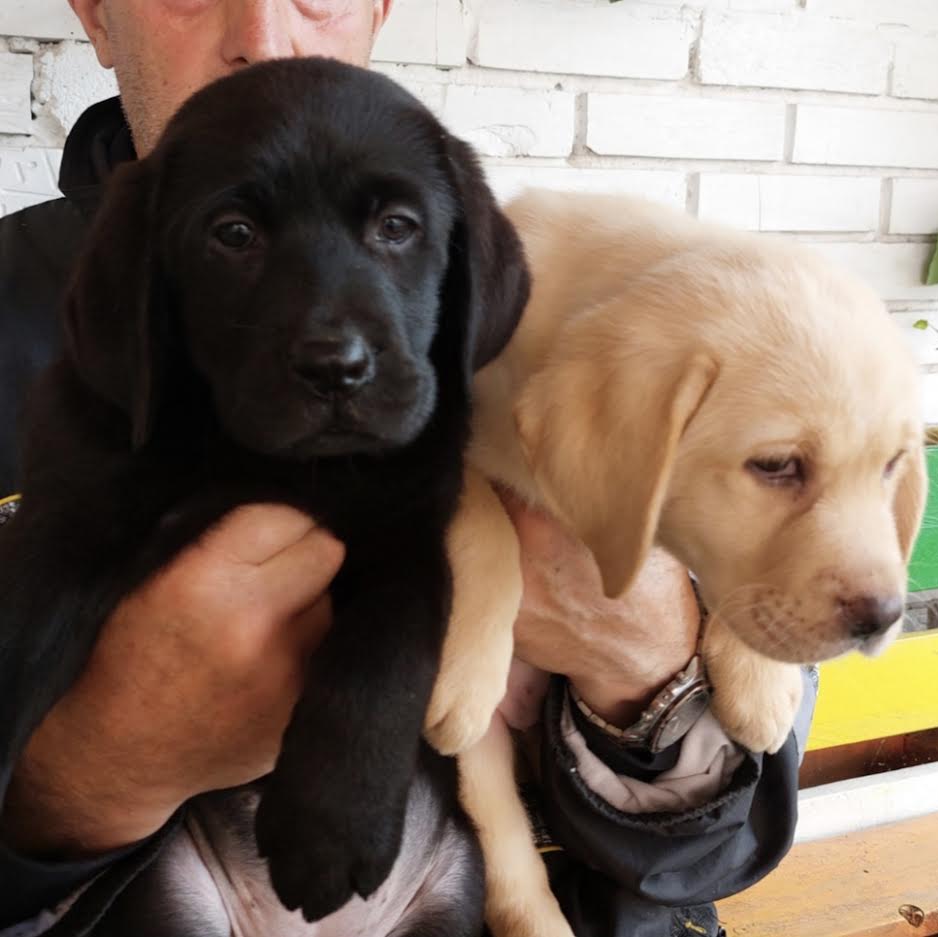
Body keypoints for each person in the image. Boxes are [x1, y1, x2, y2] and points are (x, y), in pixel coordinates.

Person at [0, 2, 813, 934]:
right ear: (96, 15)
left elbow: (714, 847)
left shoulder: (525, 296)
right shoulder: (66, 331)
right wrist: (83, 783)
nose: (262, 35)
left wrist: (641, 657)